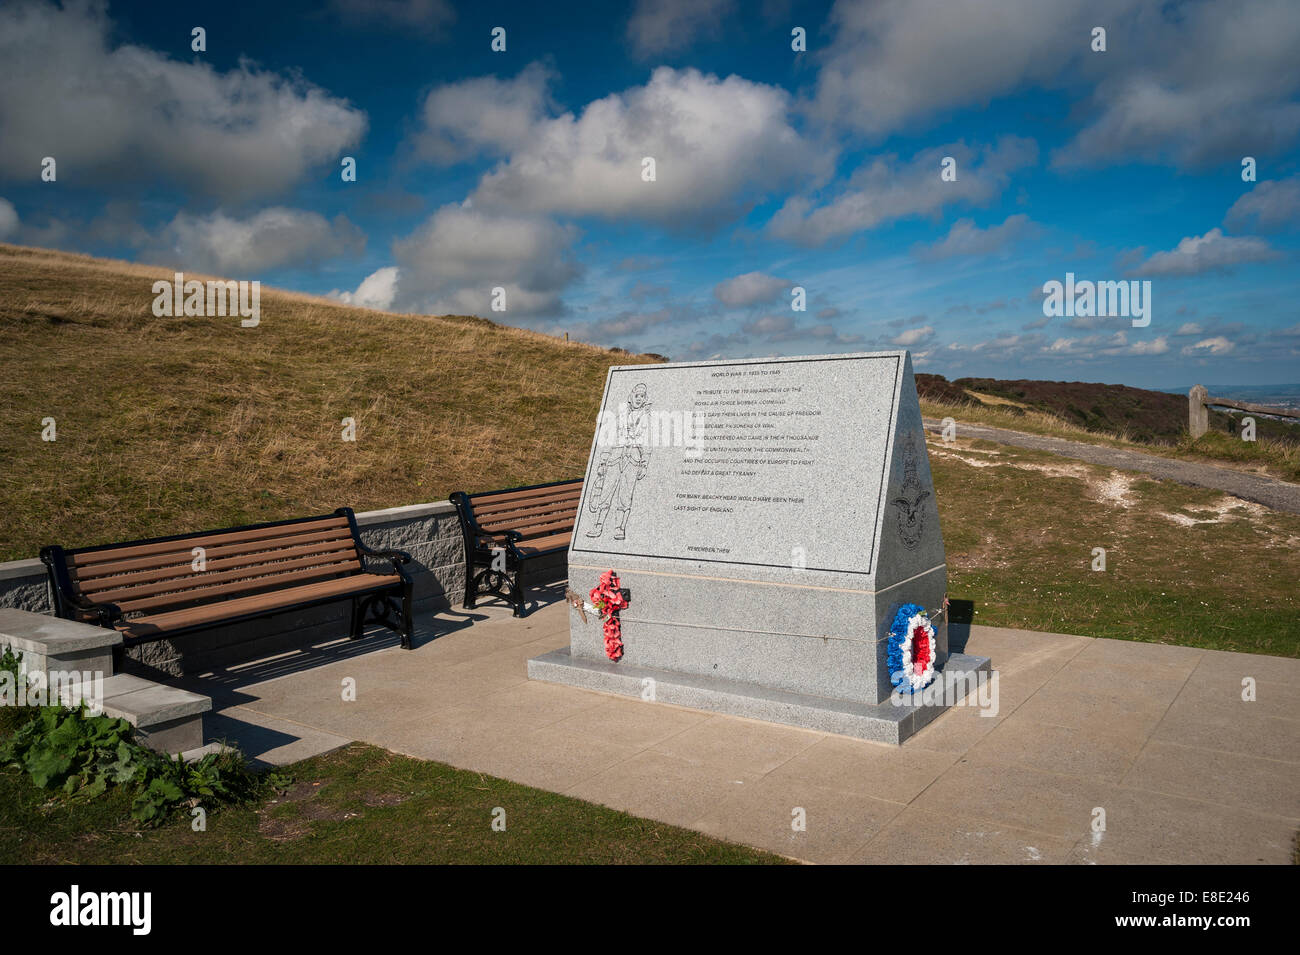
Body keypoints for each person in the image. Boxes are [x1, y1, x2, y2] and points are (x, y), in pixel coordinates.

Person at [587, 383, 650, 540]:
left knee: (625, 496)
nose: (639, 399)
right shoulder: (619, 417)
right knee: (605, 493)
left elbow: (648, 443)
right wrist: (602, 461)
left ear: (645, 399)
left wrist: (644, 464)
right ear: (631, 397)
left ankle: (619, 528)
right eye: (637, 395)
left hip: (634, 459)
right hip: (615, 458)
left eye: (642, 397)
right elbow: (609, 440)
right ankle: (598, 526)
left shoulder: (647, 419)